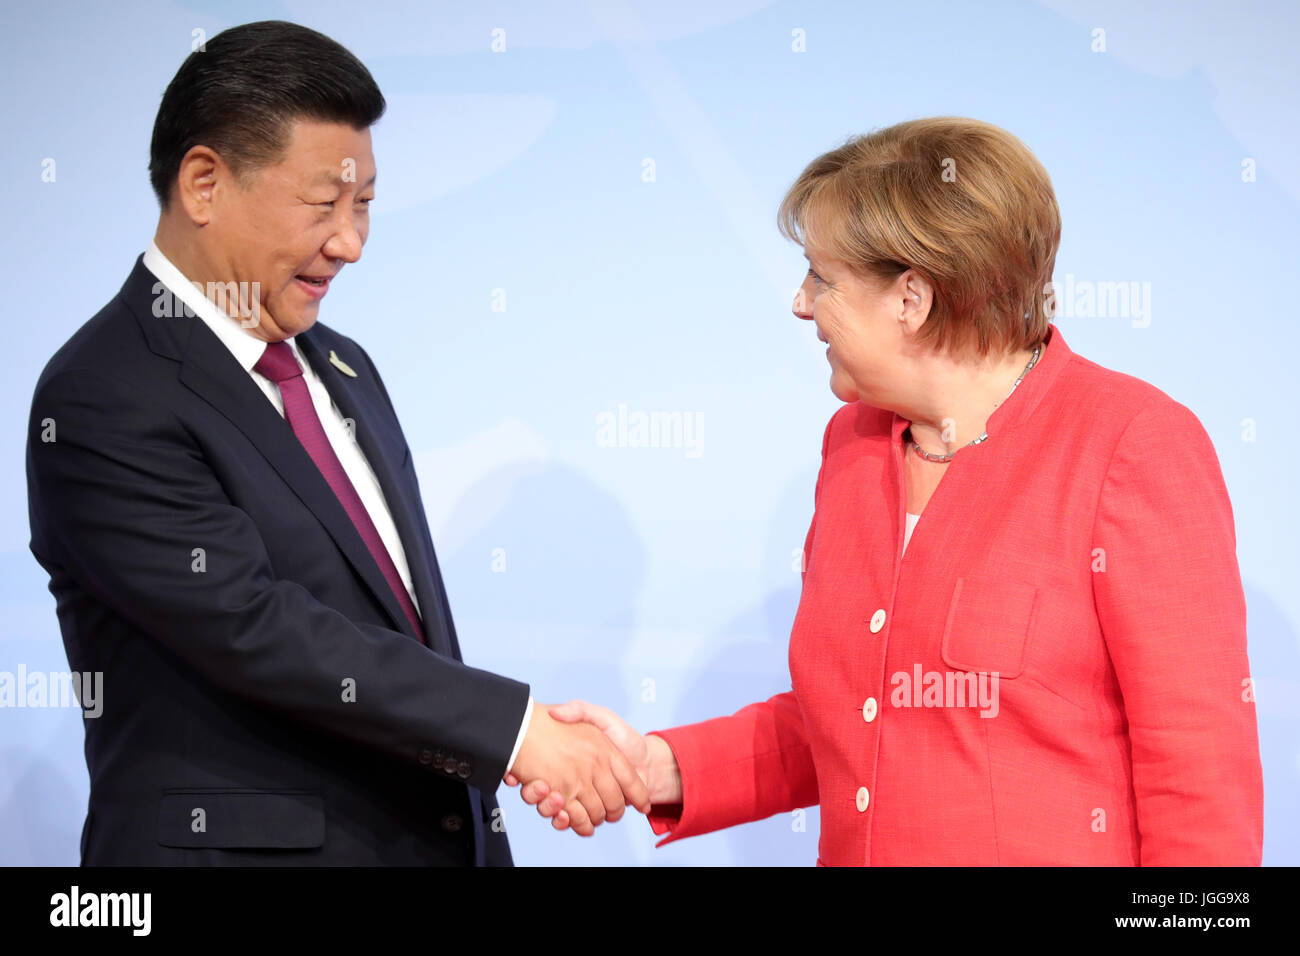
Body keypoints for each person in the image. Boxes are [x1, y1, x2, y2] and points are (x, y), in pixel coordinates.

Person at [517, 117, 1265, 865]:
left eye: (821, 276)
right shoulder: (852, 446)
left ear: (912, 298)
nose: (800, 304)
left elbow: (1197, 771)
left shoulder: (1132, 444)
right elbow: (851, 723)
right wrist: (658, 768)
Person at [25, 19, 647, 866]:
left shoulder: (343, 367)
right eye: (324, 206)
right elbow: (256, 627)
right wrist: (515, 731)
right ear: (204, 183)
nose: (350, 242)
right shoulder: (103, 393)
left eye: (365, 207)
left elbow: (405, 636)